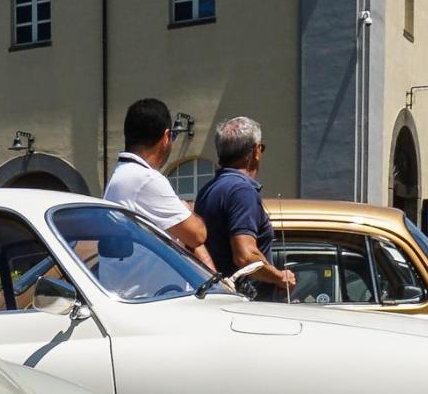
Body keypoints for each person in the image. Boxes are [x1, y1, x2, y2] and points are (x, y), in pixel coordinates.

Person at [193, 116, 296, 296]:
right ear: (256, 151)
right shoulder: (242, 191)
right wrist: (280, 277)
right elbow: (245, 256)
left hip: (218, 297)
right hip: (245, 303)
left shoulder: (208, 190)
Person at [103, 97, 207, 252]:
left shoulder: (123, 173)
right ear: (166, 137)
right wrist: (187, 209)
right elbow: (197, 236)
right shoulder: (146, 179)